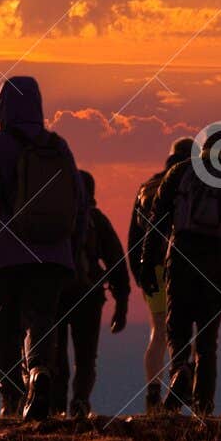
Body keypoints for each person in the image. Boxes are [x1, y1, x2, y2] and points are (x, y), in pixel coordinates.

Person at [0, 76, 87, 420]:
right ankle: (40, 372)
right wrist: (72, 246)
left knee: (6, 324)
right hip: (53, 254)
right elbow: (80, 200)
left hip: (7, 254)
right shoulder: (58, 146)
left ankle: (12, 398)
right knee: (43, 319)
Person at [142, 131, 221, 415]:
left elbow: (157, 221)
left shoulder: (181, 171)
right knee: (208, 339)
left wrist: (148, 264)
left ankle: (180, 370)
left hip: (182, 253)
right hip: (217, 259)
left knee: (178, 325)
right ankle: (204, 406)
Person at [55, 170, 129, 418]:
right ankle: (80, 403)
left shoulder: (56, 219)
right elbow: (116, 262)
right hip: (89, 296)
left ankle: (55, 408)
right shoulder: (96, 219)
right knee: (86, 358)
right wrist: (122, 305)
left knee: (56, 356)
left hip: (56, 296)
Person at [127, 138, 192, 413]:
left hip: (152, 268)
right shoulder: (196, 184)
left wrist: (140, 273)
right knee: (187, 330)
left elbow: (134, 238)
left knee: (159, 331)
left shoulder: (148, 187)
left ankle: (153, 392)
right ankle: (186, 387)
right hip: (187, 265)